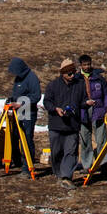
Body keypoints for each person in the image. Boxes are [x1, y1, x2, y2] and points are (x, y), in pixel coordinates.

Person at [41, 58, 87, 190]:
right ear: (63, 74)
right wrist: (55, 109)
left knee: (71, 152)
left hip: (73, 125)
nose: (72, 76)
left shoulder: (80, 84)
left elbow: (82, 101)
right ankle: (59, 174)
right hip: (56, 125)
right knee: (56, 152)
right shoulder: (53, 85)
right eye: (69, 74)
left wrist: (86, 103)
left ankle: (67, 177)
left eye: (73, 73)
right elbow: (47, 102)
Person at [77, 54, 107, 176]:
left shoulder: (99, 78)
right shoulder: (77, 79)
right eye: (84, 65)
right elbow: (75, 97)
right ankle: (86, 165)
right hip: (83, 112)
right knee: (85, 140)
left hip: (99, 111)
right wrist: (83, 103)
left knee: (101, 139)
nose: (87, 67)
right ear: (80, 65)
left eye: (88, 64)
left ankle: (103, 164)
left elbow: (106, 94)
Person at [7, 57, 41, 175]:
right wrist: (12, 101)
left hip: (28, 113)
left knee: (26, 139)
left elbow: (36, 96)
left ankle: (27, 165)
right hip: (18, 113)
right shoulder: (19, 78)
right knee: (15, 136)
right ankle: (17, 160)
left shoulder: (32, 78)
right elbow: (17, 93)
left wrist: (20, 103)